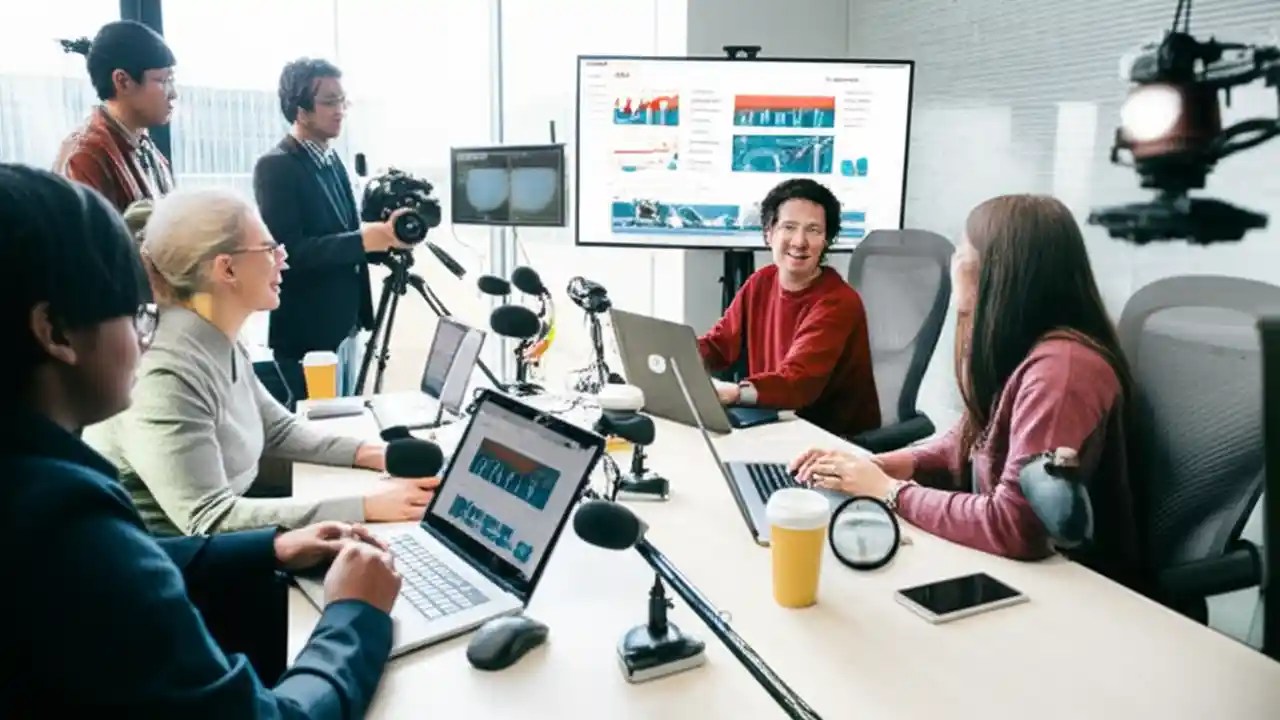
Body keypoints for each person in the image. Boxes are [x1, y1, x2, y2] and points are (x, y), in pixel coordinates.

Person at [0, 163, 398, 715]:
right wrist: (355, 615)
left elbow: (270, 435)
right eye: (137, 316)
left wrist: (270, 545)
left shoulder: (33, 486)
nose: (147, 339)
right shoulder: (61, 525)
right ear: (56, 332)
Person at [791, 194, 1146, 588]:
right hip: (1015, 572)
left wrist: (890, 492)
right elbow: (965, 446)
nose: (954, 263)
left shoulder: (1061, 374)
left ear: (998, 272)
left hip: (1072, 592)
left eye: (963, 252)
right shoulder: (1025, 350)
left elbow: (1017, 526)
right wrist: (879, 466)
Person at [83, 187, 439, 537]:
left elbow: (278, 430)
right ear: (227, 269)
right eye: (270, 248)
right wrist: (366, 507)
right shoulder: (164, 373)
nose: (284, 258)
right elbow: (210, 518)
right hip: (184, 576)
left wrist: (375, 454)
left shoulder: (214, 335)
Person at [252, 57, 410, 402]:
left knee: (344, 425)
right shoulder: (276, 167)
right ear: (299, 109)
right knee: (316, 435)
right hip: (307, 332)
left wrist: (384, 237)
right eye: (329, 101)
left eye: (342, 101)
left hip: (344, 324)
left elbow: (342, 230)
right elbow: (289, 250)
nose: (339, 110)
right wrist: (362, 240)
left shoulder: (331, 158)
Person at [697, 178, 880, 438]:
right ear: (769, 233)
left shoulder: (838, 301)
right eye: (789, 227)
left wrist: (736, 392)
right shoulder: (762, 281)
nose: (799, 241)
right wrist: (669, 357)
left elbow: (798, 383)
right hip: (775, 425)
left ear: (827, 240)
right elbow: (719, 345)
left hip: (830, 441)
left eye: (813, 230)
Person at [54, 20, 176, 214]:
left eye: (171, 80)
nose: (173, 94)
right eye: (162, 80)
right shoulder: (85, 157)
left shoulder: (140, 142)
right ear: (123, 81)